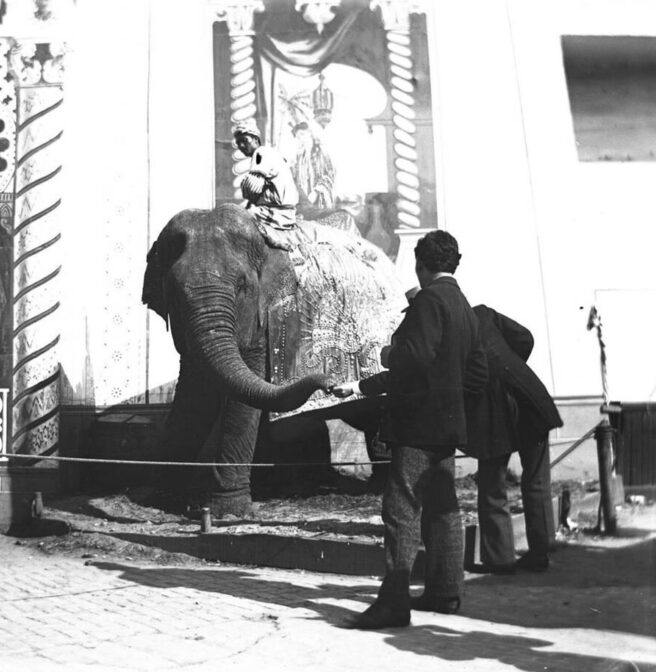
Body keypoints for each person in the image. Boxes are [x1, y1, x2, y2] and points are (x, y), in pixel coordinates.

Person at [332, 230, 488, 630]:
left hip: (417, 424)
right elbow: (478, 374)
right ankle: (445, 593)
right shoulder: (464, 306)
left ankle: (393, 604)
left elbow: (413, 357)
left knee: (401, 509)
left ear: (420, 265)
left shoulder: (429, 301)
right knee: (442, 508)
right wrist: (450, 402)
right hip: (447, 427)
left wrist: (389, 354)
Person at [464, 305, 563, 573]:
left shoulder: (447, 330)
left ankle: (500, 559)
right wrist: (510, 365)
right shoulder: (482, 314)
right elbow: (524, 337)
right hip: (527, 398)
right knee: (537, 480)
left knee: (491, 484)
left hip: (493, 411)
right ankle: (541, 552)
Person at [233, 119, 299, 233]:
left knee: (235, 220)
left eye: (245, 140)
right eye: (238, 143)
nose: (241, 145)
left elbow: (252, 188)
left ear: (256, 139)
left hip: (277, 213)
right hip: (283, 211)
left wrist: (245, 186)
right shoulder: (270, 153)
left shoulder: (261, 153)